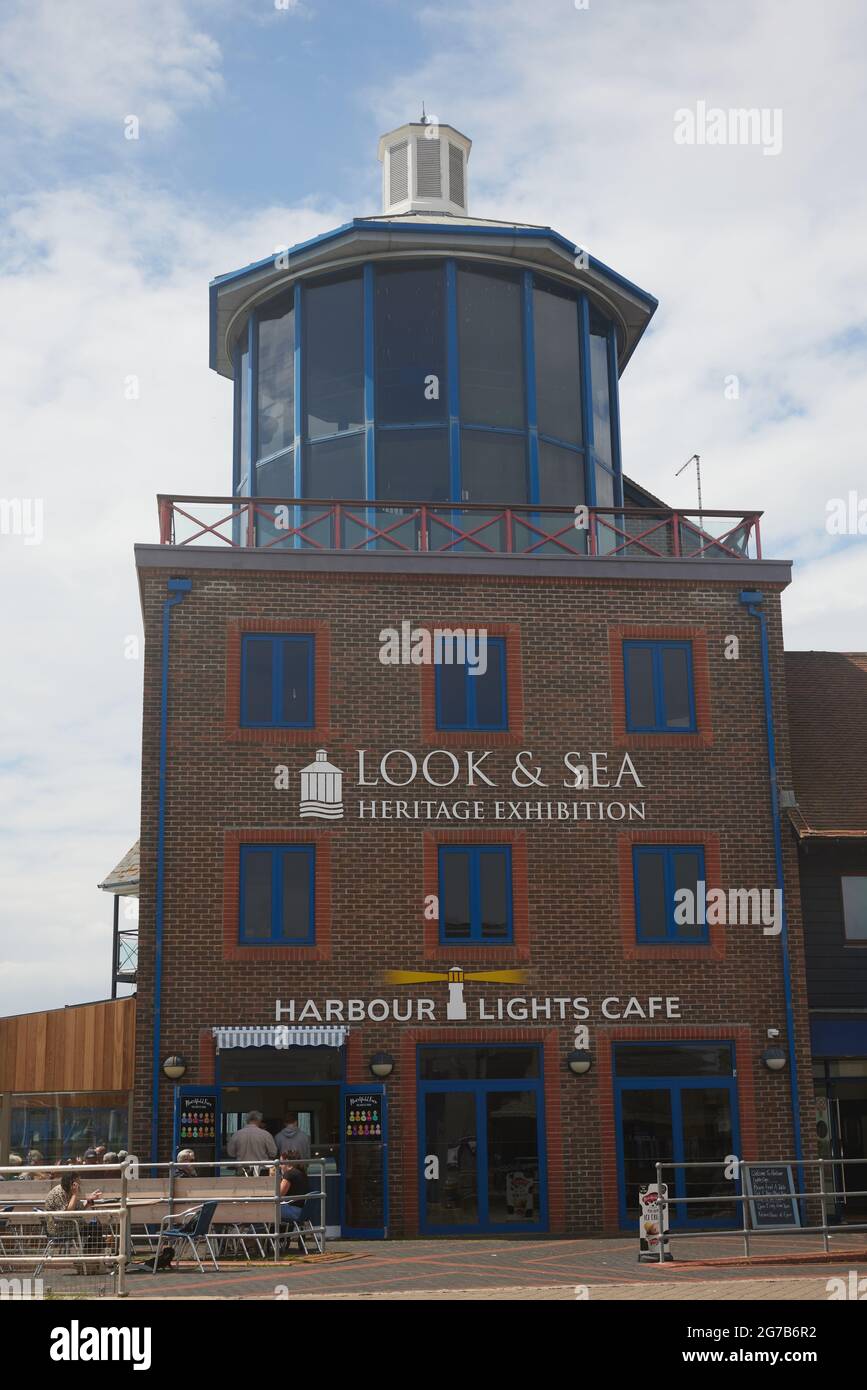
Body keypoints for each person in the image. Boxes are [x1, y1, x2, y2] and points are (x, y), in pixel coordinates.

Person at [43, 1171, 104, 1271]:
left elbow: (79, 1209)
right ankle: (85, 1259)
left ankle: (87, 1258)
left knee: (96, 1226)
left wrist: (89, 1201)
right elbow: (68, 1213)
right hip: (59, 1230)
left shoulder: (70, 1192)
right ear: (72, 1183)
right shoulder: (59, 1193)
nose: (79, 1185)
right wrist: (75, 1194)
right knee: (95, 1228)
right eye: (77, 1182)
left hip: (71, 1225)